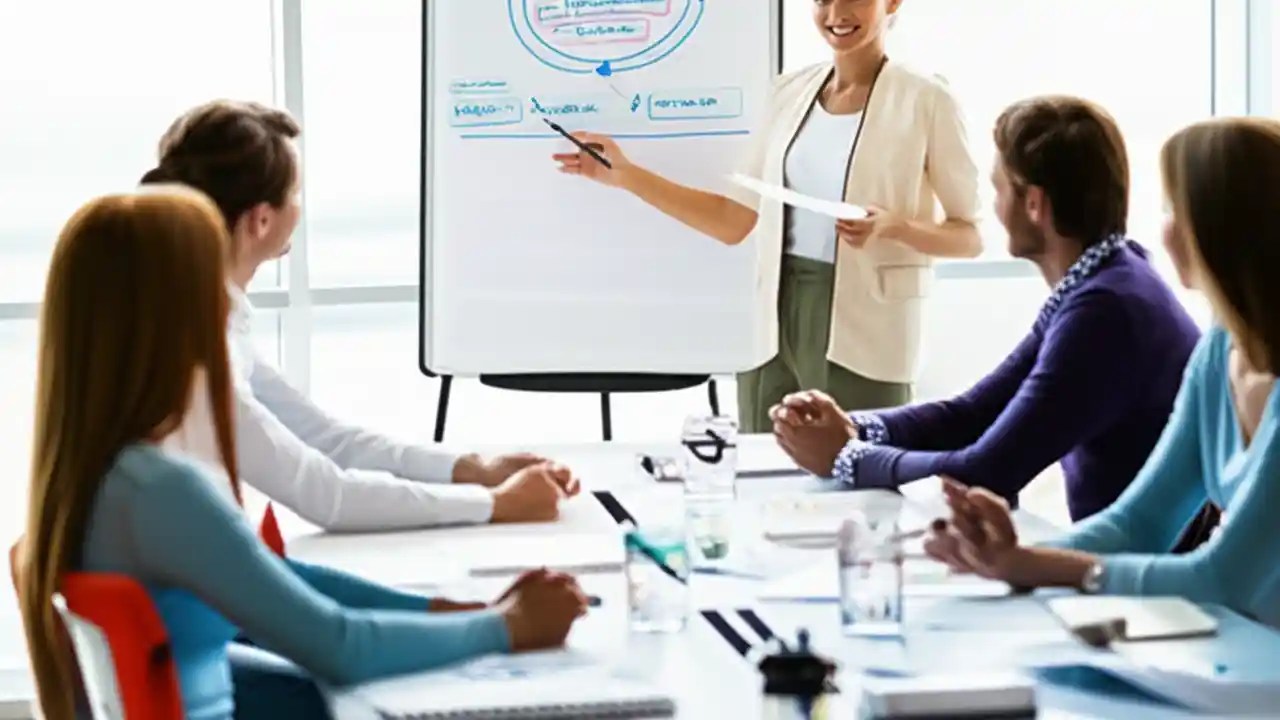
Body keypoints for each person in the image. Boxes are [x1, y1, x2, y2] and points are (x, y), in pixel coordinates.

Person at [16, 188, 589, 719]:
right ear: (166, 318)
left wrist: (450, 613)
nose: (228, 307)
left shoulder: (103, 474)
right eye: (210, 287)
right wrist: (505, 627)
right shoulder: (161, 493)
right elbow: (340, 646)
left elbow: (272, 577)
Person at [141, 100, 577, 532]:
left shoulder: (206, 317)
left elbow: (325, 438)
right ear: (261, 220)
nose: (301, 207)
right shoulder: (198, 347)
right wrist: (494, 503)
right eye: (296, 193)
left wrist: (474, 468)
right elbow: (325, 495)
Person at [553, 0, 982, 432]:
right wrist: (627, 176)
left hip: (867, 325)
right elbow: (732, 220)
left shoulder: (927, 100)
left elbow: (969, 236)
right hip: (775, 315)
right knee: (763, 475)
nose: (836, 12)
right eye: (821, 0)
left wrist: (895, 227)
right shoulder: (788, 93)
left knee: (859, 477)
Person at [770, 96, 1201, 522]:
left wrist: (846, 456)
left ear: (1034, 204)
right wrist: (854, 427)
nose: (993, 207)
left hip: (1139, 578)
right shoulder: (1107, 276)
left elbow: (987, 473)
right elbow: (973, 414)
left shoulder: (1106, 312)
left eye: (998, 188)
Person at [924, 117, 1280, 626]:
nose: (1165, 228)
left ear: (1222, 228)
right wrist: (1004, 558)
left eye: (1172, 210)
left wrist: (1036, 564)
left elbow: (1222, 579)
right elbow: (1140, 521)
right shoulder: (1220, 349)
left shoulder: (1111, 306)